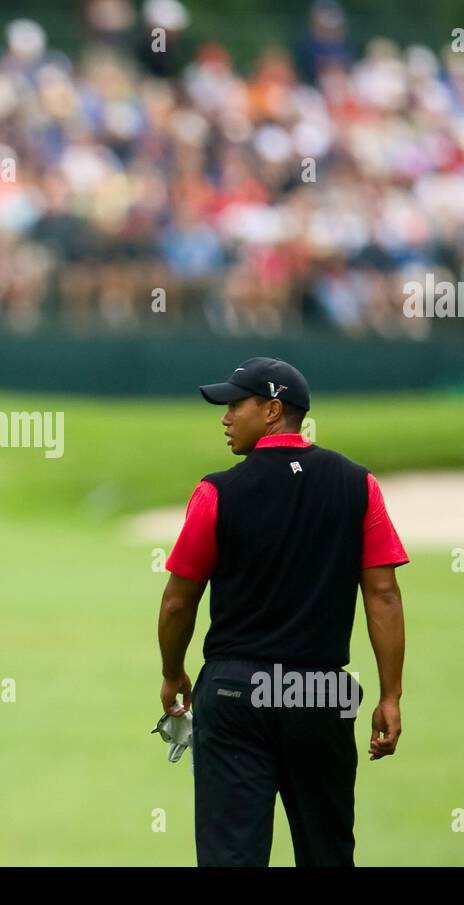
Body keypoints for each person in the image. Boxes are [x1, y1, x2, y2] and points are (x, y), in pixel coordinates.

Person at [155, 356, 408, 866]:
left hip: (234, 691)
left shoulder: (216, 492)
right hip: (322, 693)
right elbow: (382, 594)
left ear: (272, 410)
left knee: (233, 859)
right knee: (328, 855)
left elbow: (180, 598)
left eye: (234, 405)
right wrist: (391, 694)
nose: (225, 417)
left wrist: (172, 672)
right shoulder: (359, 485)